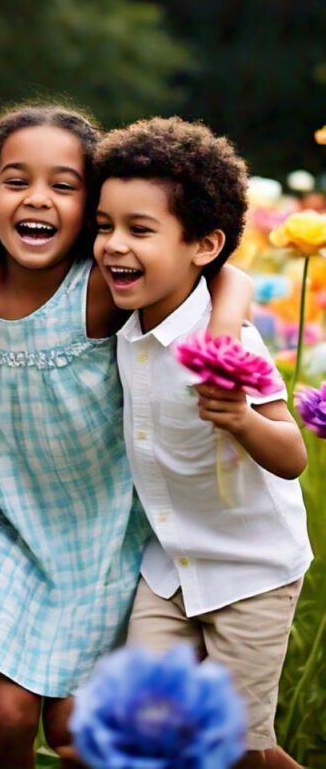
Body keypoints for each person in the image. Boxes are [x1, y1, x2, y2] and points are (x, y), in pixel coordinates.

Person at [0, 105, 253, 769]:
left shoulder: (96, 288)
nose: (38, 198)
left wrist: (225, 328)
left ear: (91, 209)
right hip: (10, 529)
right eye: (16, 181)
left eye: (64, 185)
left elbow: (222, 269)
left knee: (77, 732)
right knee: (3, 717)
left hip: (105, 533)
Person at [93, 116, 311, 769]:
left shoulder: (227, 348)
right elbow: (229, 279)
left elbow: (292, 455)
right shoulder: (122, 316)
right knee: (144, 722)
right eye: (104, 226)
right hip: (170, 569)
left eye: (139, 230)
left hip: (251, 571)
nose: (112, 246)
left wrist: (242, 419)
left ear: (204, 245)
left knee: (240, 749)